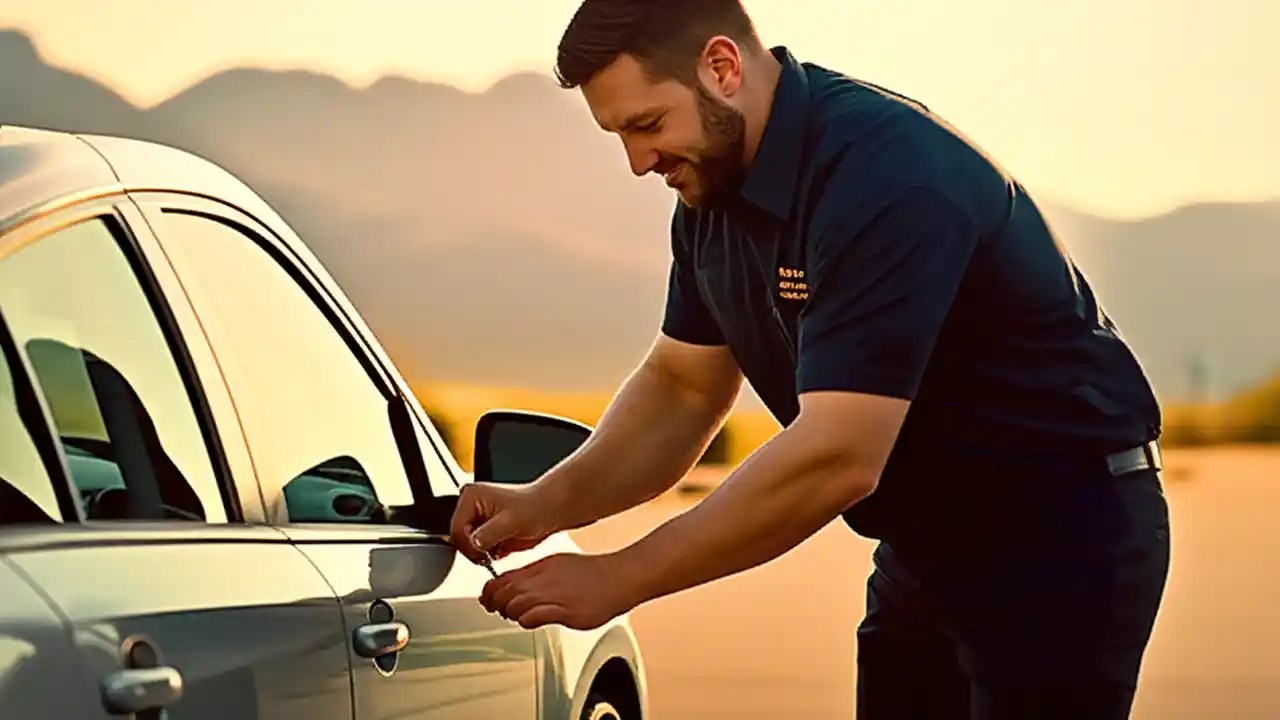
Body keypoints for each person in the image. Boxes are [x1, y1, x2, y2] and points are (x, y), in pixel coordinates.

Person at [450, 1, 1171, 717]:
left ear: (722, 67)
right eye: (620, 136)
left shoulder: (886, 175)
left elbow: (838, 455)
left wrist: (621, 576)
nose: (640, 163)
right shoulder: (711, 196)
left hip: (1059, 535)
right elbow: (682, 390)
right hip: (924, 547)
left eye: (647, 124)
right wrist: (545, 501)